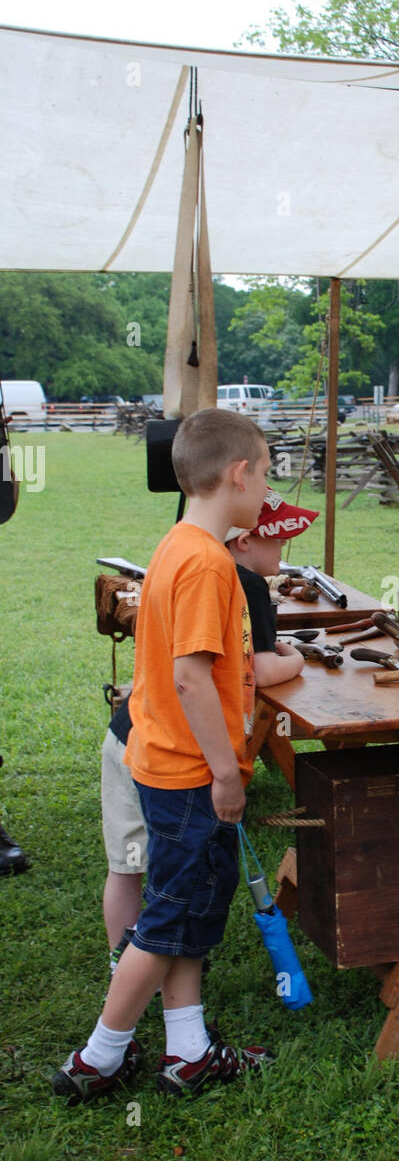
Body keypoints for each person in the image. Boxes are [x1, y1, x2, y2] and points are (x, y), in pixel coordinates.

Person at [54, 410, 278, 1102]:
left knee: (182, 914)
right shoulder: (210, 563)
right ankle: (98, 1057)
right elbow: (189, 676)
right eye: (266, 474)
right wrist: (224, 773)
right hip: (189, 776)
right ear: (238, 473)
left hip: (160, 764)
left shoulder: (178, 545)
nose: (268, 491)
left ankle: (188, 1050)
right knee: (167, 922)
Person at [100, 489, 317, 964]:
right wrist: (298, 658)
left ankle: (124, 966)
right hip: (170, 753)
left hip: (130, 736)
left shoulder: (181, 550)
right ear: (244, 542)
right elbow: (245, 671)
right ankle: (133, 987)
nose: (284, 553)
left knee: (129, 865)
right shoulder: (234, 579)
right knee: (172, 903)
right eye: (277, 542)